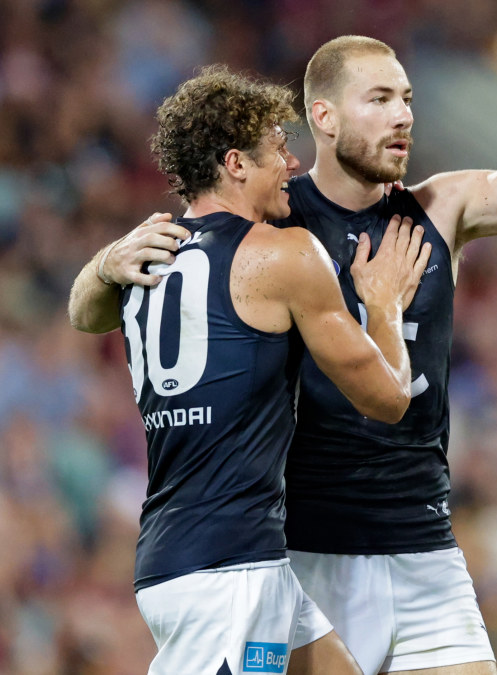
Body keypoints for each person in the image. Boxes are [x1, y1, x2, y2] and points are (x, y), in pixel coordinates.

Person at [69, 2, 497, 673]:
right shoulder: (268, 227)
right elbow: (113, 303)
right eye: (379, 98)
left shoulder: (443, 207)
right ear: (324, 117)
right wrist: (102, 264)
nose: (403, 114)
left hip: (422, 544)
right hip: (305, 551)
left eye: (406, 97)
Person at [66, 65, 431, 675]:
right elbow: (390, 399)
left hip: (192, 552)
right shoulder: (283, 253)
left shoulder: (142, 257)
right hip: (228, 573)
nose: (292, 164)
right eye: (278, 149)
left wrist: (102, 261)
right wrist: (387, 306)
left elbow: (82, 313)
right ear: (236, 163)